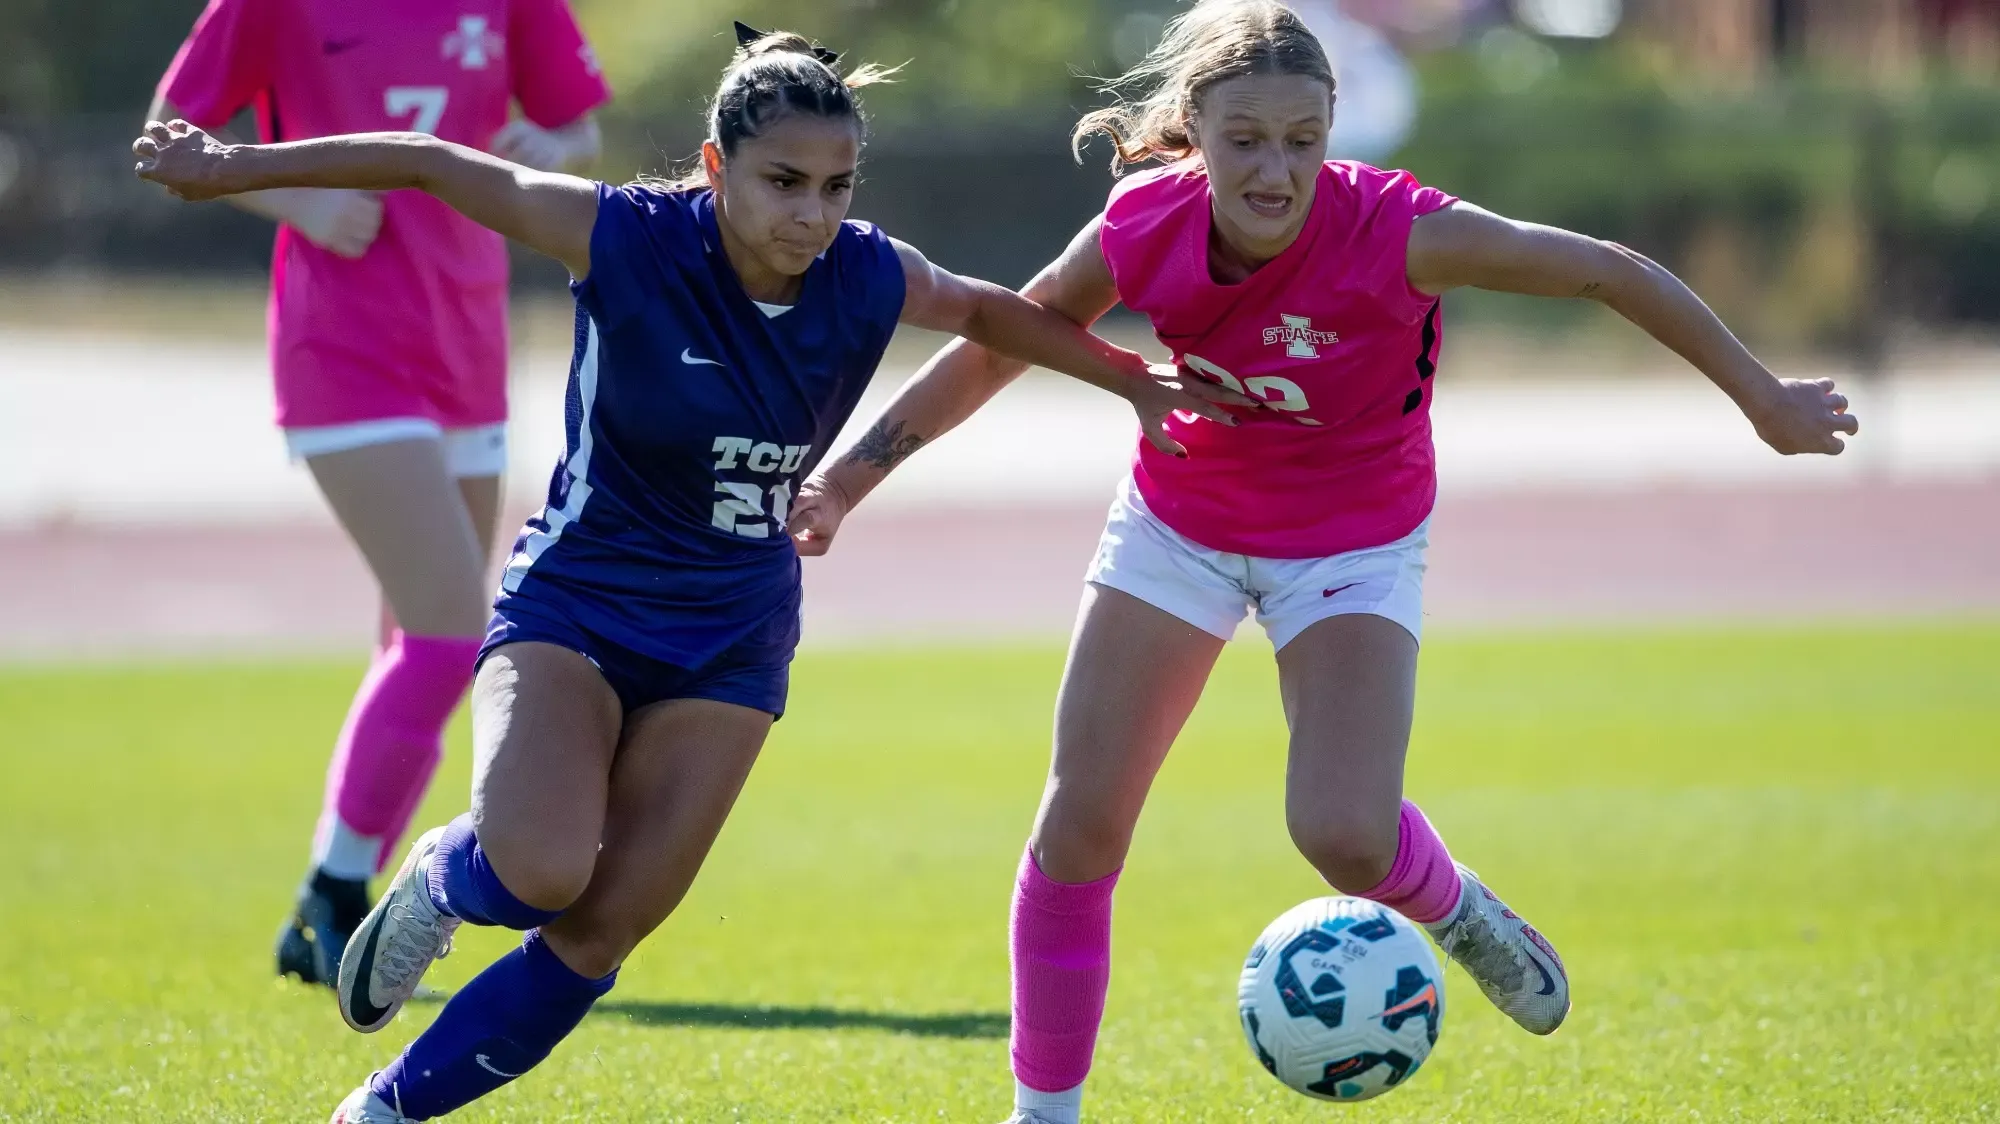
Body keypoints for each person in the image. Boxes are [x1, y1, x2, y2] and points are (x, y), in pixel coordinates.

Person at [137, 21, 1246, 1123]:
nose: (811, 214)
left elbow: (983, 309)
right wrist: (234, 167)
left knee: (598, 930)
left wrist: (1129, 379)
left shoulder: (863, 273)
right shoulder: (623, 237)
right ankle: (444, 876)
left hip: (732, 634)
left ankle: (377, 1112)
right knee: (539, 866)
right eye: (781, 182)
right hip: (578, 602)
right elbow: (431, 163)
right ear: (715, 168)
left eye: (836, 185)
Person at [788, 3, 1860, 1121]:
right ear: (1194, 129)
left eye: (1301, 139)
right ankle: (1041, 1112)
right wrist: (851, 478)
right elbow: (1004, 334)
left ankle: (1459, 910)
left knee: (1343, 833)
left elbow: (1604, 269)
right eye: (1244, 138)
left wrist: (1762, 399)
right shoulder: (1139, 225)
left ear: (1333, 131)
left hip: (1353, 540)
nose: (1274, 166)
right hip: (1179, 524)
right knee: (1079, 823)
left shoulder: (1398, 230)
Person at [148, 0, 613, 986]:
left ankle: (321, 903)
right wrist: (296, 199)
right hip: (341, 345)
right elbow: (167, 134)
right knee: (450, 635)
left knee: (417, 647)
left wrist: (554, 143)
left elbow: (580, 130)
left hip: (469, 343)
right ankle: (339, 892)